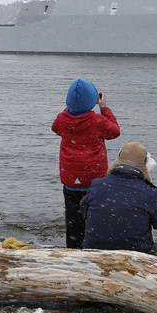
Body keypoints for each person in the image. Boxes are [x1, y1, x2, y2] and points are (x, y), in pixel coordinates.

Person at [51, 78, 120, 247]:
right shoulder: (97, 121)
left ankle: (73, 249)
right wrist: (104, 108)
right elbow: (115, 131)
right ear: (93, 100)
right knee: (95, 217)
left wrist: (71, 109)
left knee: (73, 219)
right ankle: (93, 249)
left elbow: (55, 128)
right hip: (94, 180)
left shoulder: (62, 119)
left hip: (71, 181)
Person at [81, 141, 157, 254]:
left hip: (94, 251)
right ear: (145, 165)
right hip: (135, 254)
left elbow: (83, 211)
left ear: (118, 160)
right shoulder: (148, 192)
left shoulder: (97, 185)